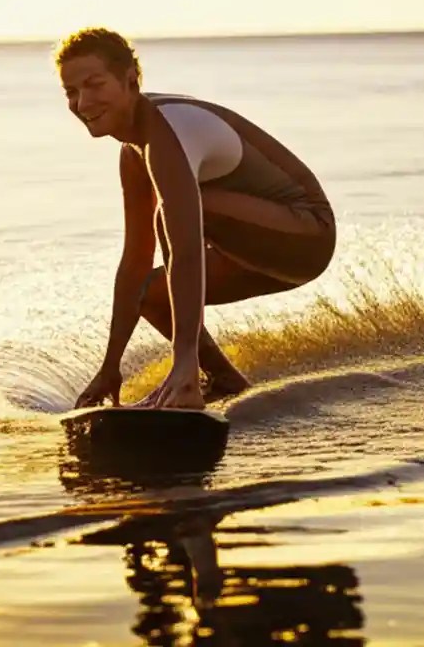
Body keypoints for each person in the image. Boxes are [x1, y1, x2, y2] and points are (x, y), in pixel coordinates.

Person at [58, 27, 335, 410]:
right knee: (150, 295)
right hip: (251, 247)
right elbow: (135, 260)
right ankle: (222, 379)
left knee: (172, 218)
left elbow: (186, 245)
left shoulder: (166, 131)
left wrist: (180, 359)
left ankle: (185, 374)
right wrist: (110, 367)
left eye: (94, 85)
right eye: (71, 92)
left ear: (130, 81)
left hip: (306, 235)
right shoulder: (133, 153)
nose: (82, 102)